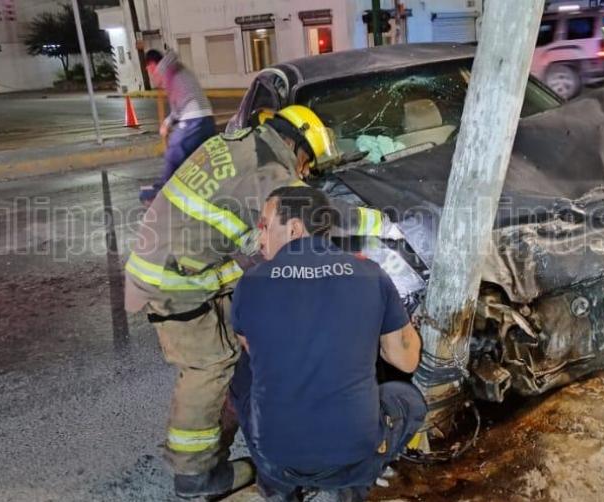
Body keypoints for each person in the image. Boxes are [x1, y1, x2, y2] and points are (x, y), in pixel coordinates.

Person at [124, 106, 401, 499]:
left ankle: (238, 432)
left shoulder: (241, 144)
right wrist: (384, 223)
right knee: (210, 365)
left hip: (183, 260)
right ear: (296, 144)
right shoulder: (268, 172)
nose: (305, 172)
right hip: (173, 280)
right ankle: (194, 475)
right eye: (307, 162)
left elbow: (247, 229)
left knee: (244, 344)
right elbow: (324, 214)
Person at [228, 186, 427, 502]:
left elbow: (256, 351)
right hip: (354, 454)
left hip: (280, 458)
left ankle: (277, 487)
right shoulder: (370, 273)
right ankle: (356, 482)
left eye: (264, 226)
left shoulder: (249, 284)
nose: (260, 237)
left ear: (294, 229)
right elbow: (406, 360)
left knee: (243, 378)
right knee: (408, 398)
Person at [142, 49, 216, 203]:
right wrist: (169, 121)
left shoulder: (167, 71)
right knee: (197, 158)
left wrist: (167, 123)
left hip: (194, 119)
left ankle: (162, 195)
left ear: (152, 65)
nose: (151, 76)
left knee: (174, 153)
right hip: (207, 118)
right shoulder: (179, 68)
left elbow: (177, 107)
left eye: (149, 70)